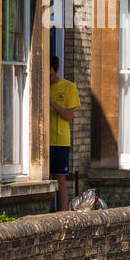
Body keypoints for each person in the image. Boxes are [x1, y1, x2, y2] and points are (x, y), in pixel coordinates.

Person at [49, 55, 80, 211]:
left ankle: (63, 217)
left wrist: (53, 104)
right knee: (44, 180)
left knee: (61, 180)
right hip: (43, 141)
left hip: (60, 140)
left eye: (51, 75)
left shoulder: (69, 87)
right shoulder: (40, 85)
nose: (48, 79)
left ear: (57, 70)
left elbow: (68, 116)